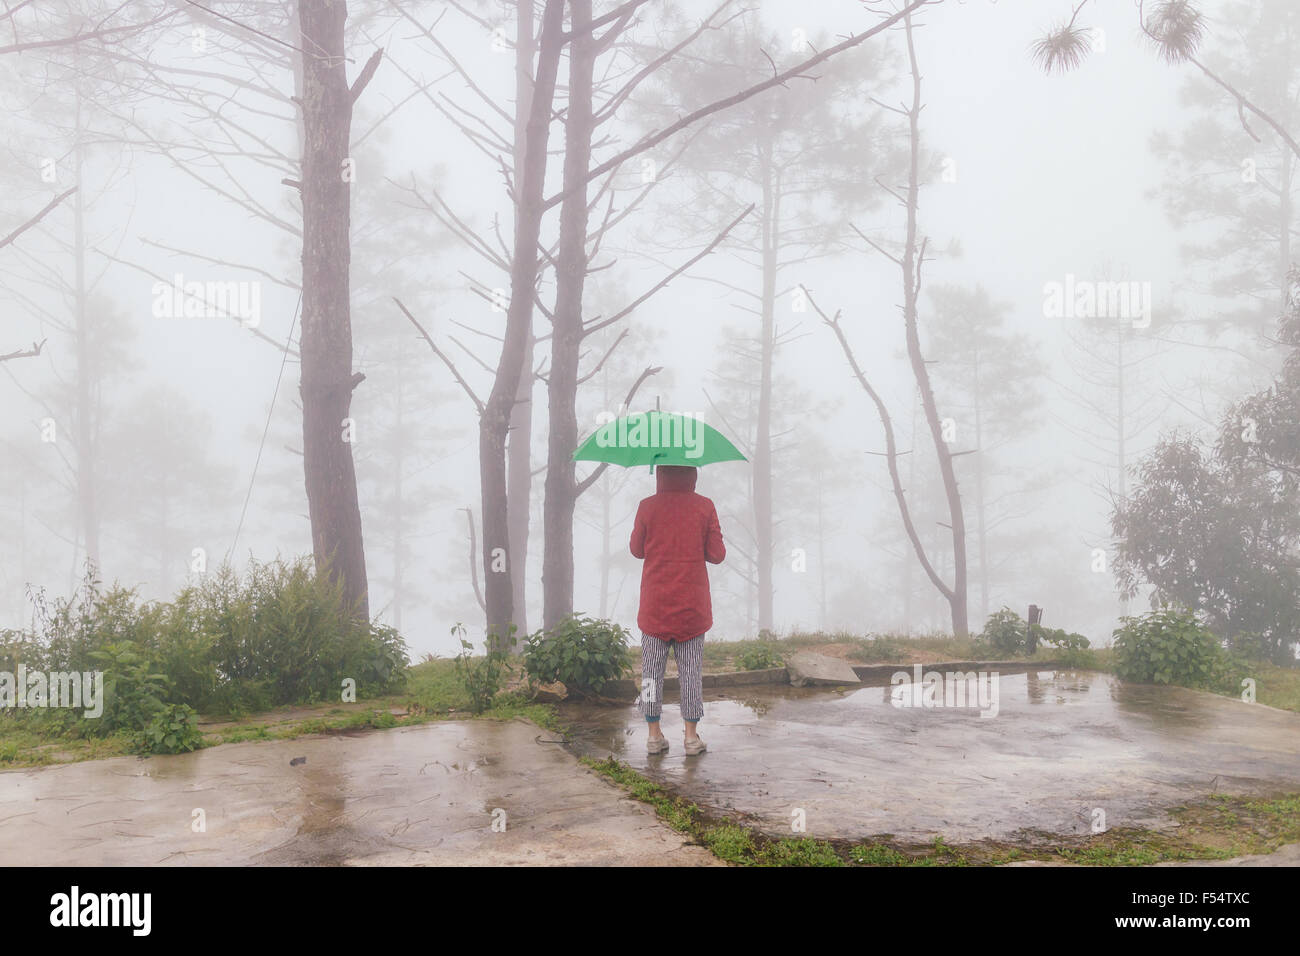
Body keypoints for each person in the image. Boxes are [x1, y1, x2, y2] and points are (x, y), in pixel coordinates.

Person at [629, 464, 726, 755]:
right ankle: (691, 737)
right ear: (692, 475)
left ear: (660, 474)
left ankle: (653, 735)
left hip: (654, 608)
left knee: (650, 674)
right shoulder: (704, 506)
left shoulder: (647, 506)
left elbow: (636, 549)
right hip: (691, 610)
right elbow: (717, 554)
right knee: (691, 673)